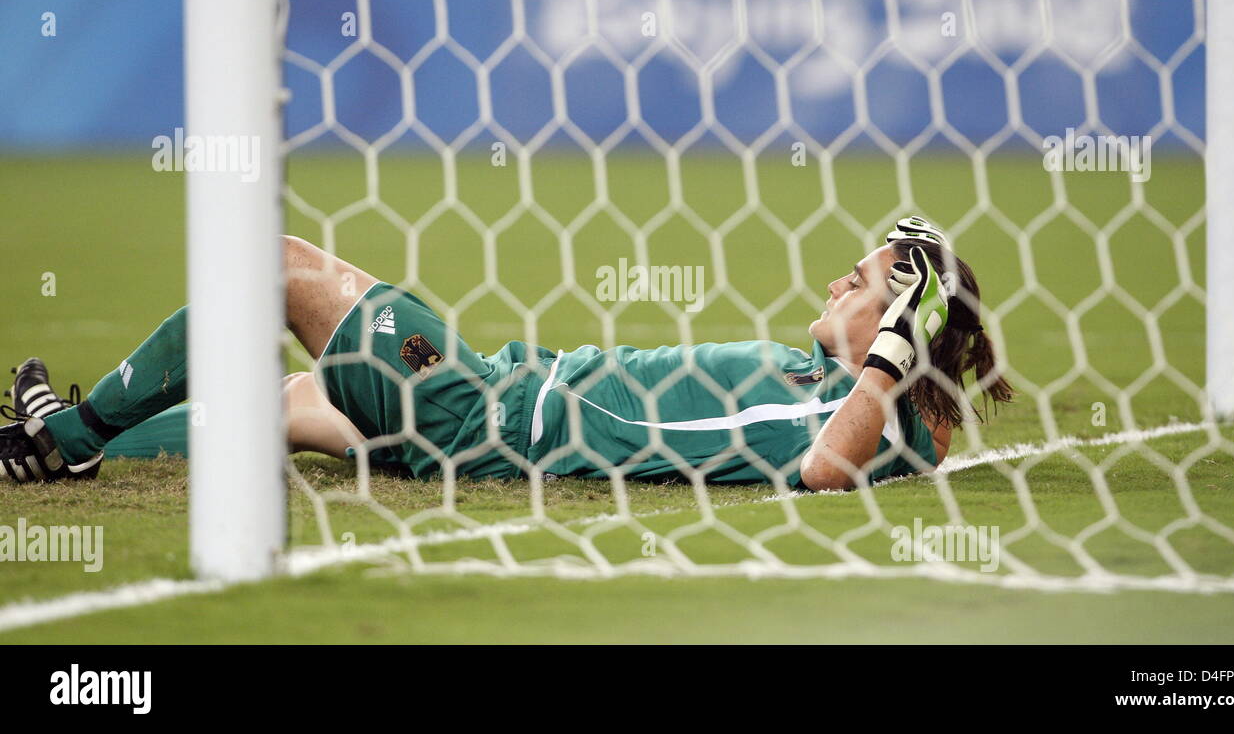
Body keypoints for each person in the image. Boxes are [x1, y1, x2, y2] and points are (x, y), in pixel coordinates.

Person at [1, 217, 1011, 492]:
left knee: (278, 268)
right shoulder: (870, 408)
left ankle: (70, 440)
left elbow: (825, 467)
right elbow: (910, 437)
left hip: (484, 416)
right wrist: (889, 347)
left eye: (862, 286)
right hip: (497, 399)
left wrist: (886, 350)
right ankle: (78, 442)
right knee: (287, 403)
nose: (839, 286)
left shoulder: (841, 412)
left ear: (899, 329)